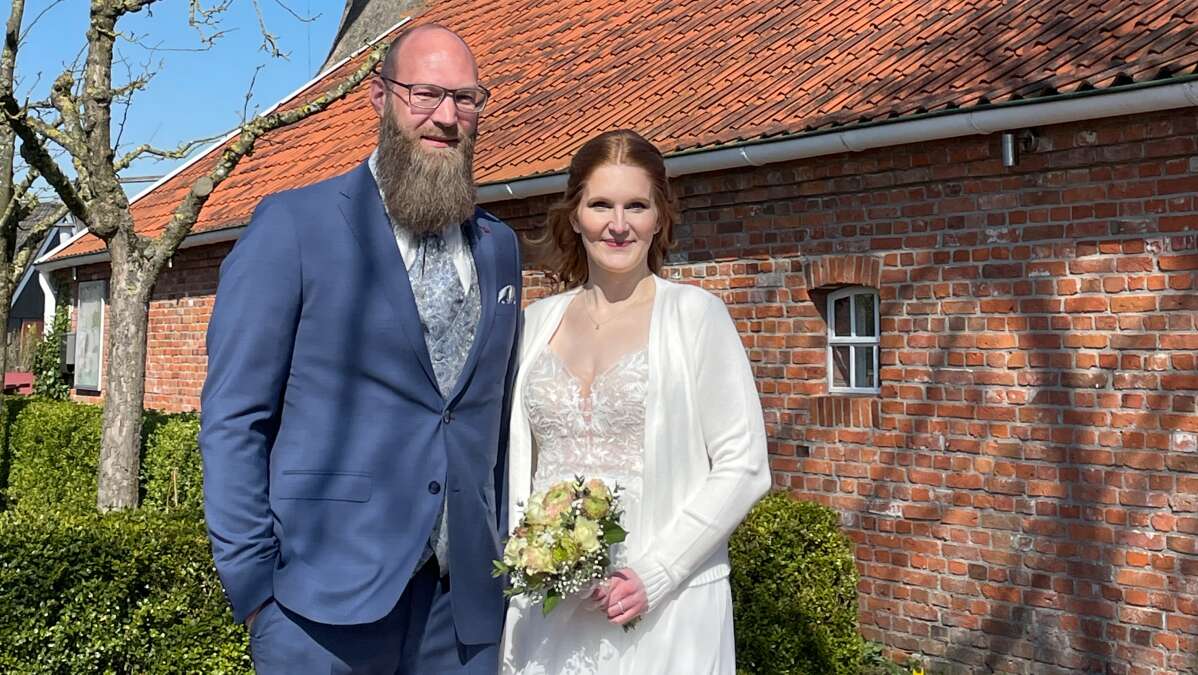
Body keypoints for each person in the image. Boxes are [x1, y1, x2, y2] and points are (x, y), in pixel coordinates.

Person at [200, 24, 521, 674]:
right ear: (378, 96)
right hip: (318, 609)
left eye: (466, 98)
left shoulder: (500, 249)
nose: (447, 116)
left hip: (461, 617)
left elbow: (491, 416)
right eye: (426, 93)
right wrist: (255, 588)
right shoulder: (293, 226)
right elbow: (234, 416)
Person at [500, 129, 771, 674]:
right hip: (548, 611)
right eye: (601, 204)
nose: (618, 224)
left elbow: (744, 466)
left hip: (664, 607)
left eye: (636, 206)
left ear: (659, 217)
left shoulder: (696, 317)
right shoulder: (533, 326)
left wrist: (658, 571)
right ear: (575, 215)